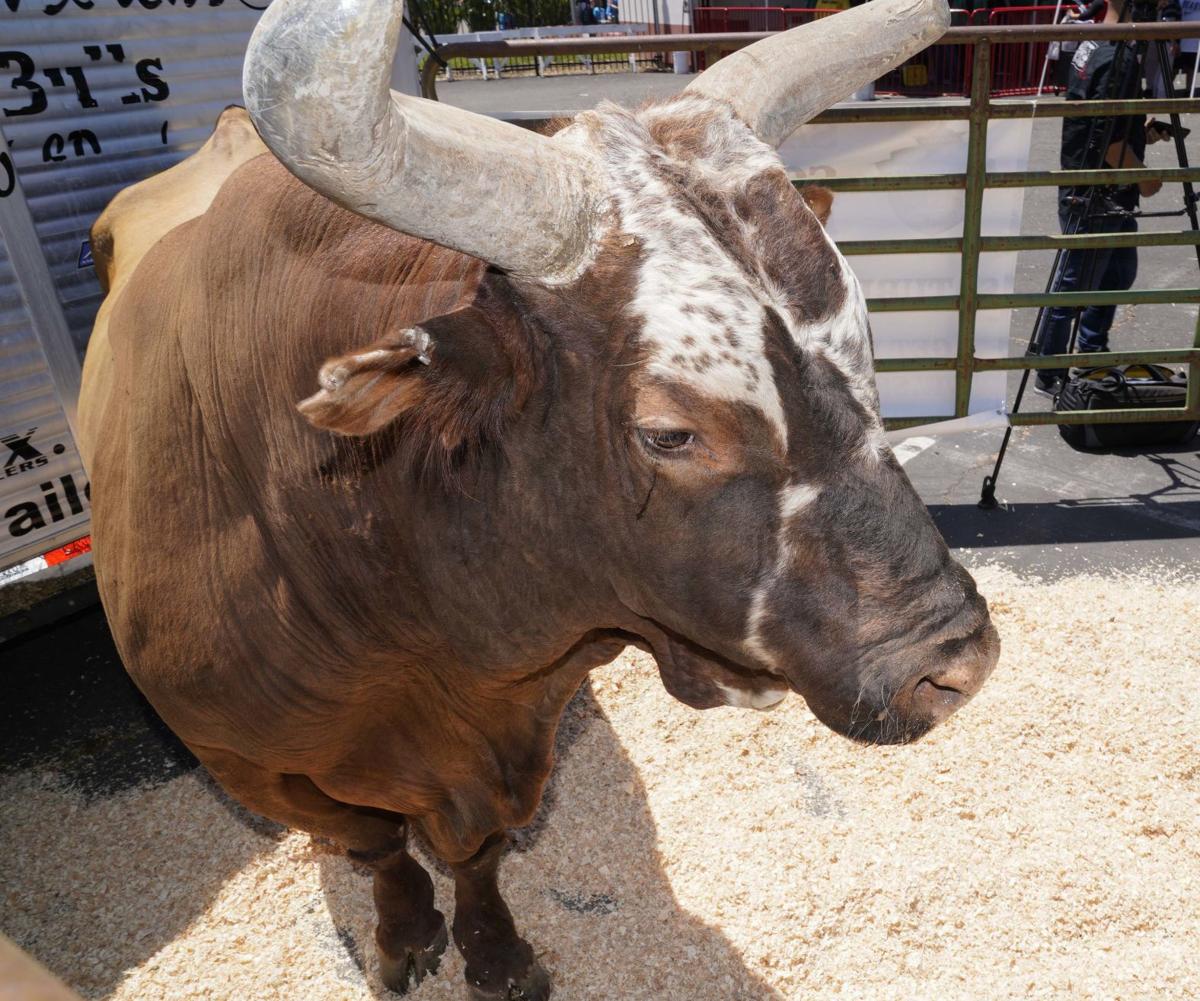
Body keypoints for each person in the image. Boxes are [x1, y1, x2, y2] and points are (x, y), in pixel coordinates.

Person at [1035, 0, 1169, 396]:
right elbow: (1107, 140)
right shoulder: (1119, 56)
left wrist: (1138, 131)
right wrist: (1145, 178)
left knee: (1116, 273)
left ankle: (1091, 350)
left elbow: (1100, 118)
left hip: (1096, 184)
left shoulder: (1095, 42)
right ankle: (1049, 368)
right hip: (1098, 190)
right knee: (1077, 284)